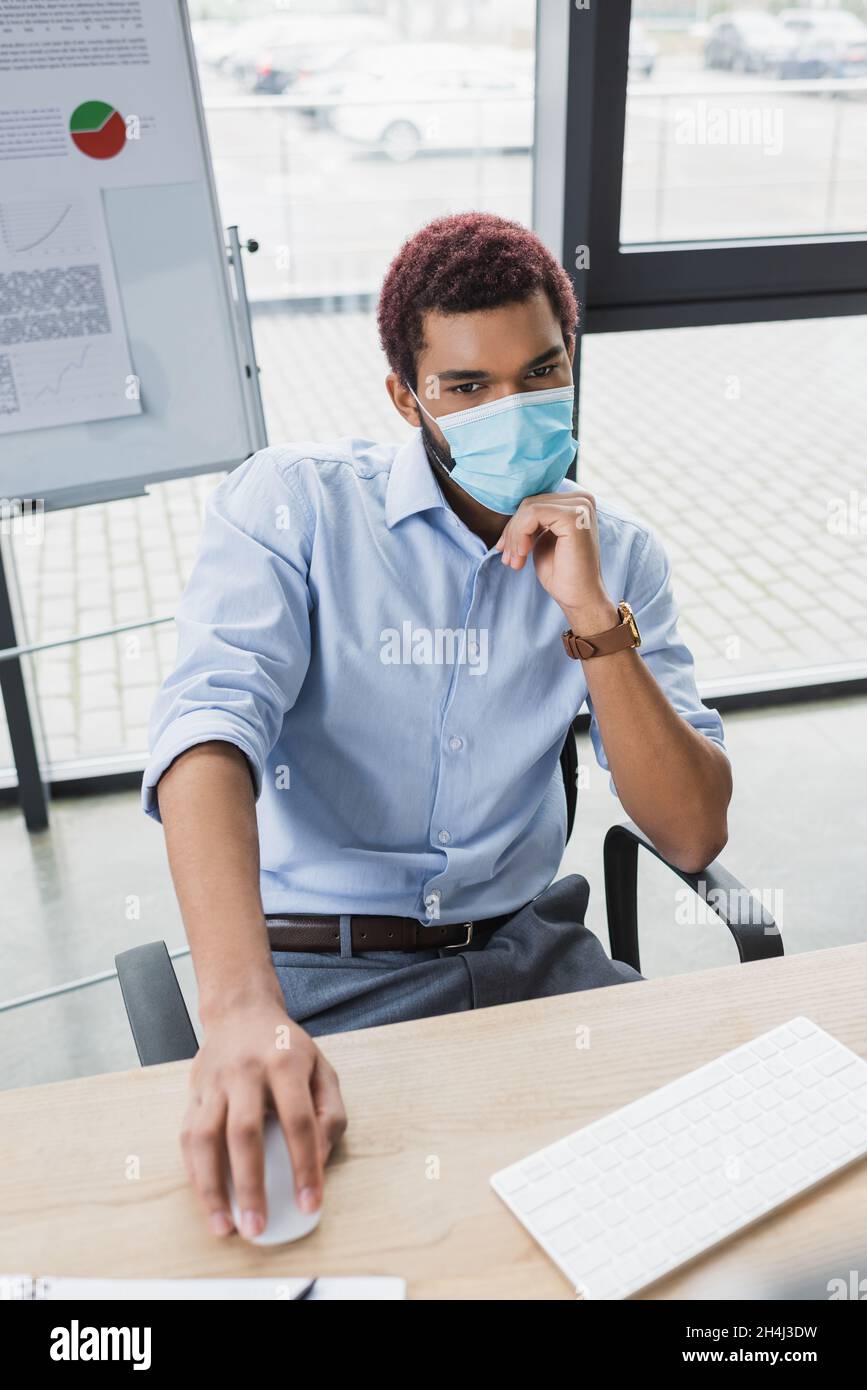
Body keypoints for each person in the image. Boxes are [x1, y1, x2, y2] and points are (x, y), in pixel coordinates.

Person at [143, 212, 732, 1241]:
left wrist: (594, 624)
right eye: (468, 386)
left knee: (696, 1199)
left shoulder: (622, 557)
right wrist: (238, 1009)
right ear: (406, 397)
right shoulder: (297, 506)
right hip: (321, 978)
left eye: (541, 372)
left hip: (529, 958)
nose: (515, 408)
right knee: (327, 1242)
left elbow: (691, 833)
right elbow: (208, 731)